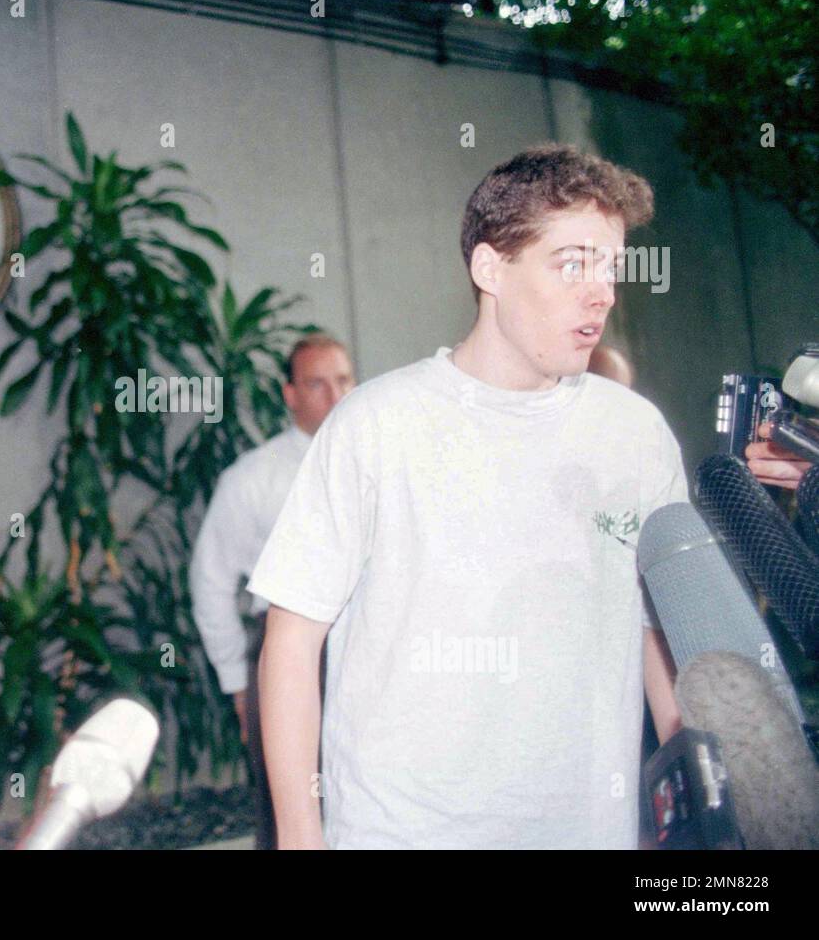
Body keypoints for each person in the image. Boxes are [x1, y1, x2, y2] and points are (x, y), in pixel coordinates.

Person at [250, 144, 686, 849]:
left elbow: (655, 634)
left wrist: (697, 801)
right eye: (572, 262)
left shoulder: (636, 436)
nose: (602, 291)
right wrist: (302, 838)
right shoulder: (376, 424)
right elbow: (292, 639)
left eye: (610, 266)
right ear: (491, 268)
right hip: (402, 832)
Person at [189, 333, 354, 849]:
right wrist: (239, 681)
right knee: (288, 813)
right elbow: (210, 580)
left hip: (372, 642)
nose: (336, 395)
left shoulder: (382, 459)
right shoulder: (254, 478)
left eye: (344, 380)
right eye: (317, 384)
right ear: (289, 394)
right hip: (288, 653)